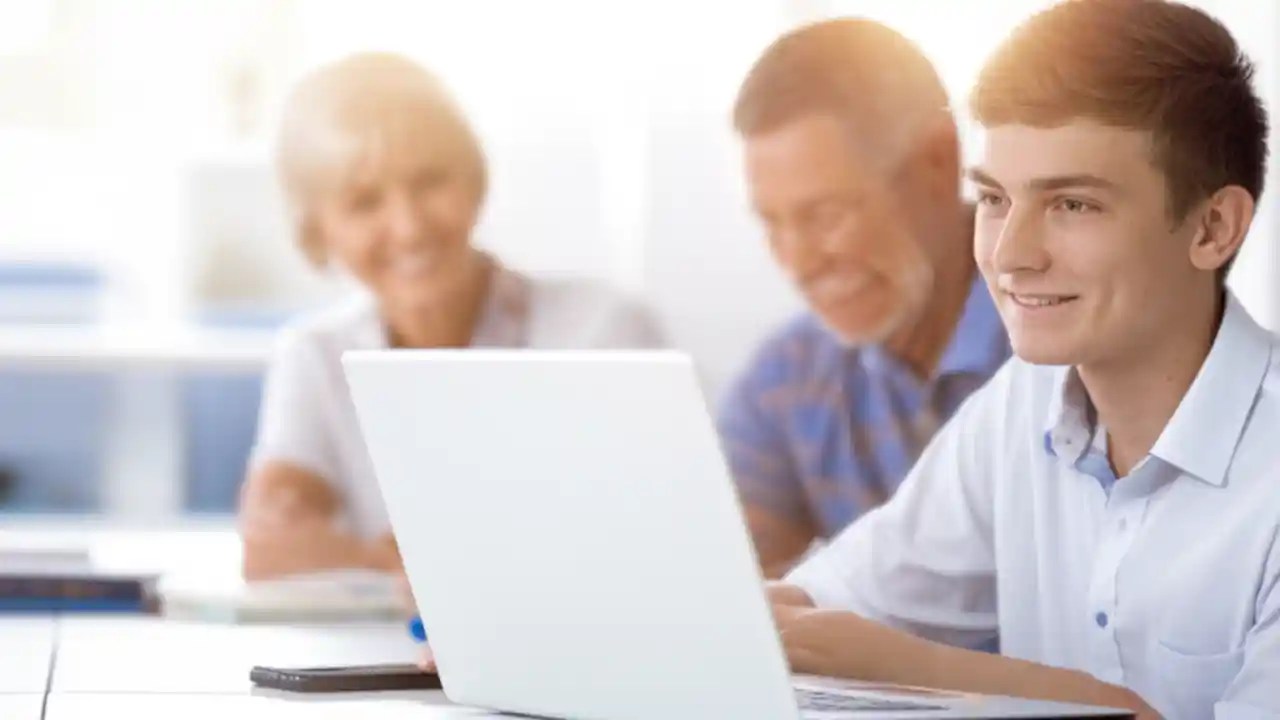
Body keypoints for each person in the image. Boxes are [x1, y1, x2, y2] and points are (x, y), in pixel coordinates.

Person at [767, 2, 1277, 718]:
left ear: (1213, 226)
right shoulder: (1025, 404)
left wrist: (910, 666)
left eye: (1072, 204)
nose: (1009, 256)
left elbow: (860, 641)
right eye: (994, 198)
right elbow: (830, 604)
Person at [238, 53, 663, 580]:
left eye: (430, 181)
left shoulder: (600, 328)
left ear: (473, 179)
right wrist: (408, 563)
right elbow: (270, 549)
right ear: (317, 230)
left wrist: (371, 559)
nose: (409, 225)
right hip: (376, 656)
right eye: (365, 202)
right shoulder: (315, 353)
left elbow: (634, 536)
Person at [721, 19, 1010, 578]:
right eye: (773, 224)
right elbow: (721, 586)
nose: (799, 262)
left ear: (937, 161)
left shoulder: (1068, 349)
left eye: (826, 215)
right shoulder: (788, 378)